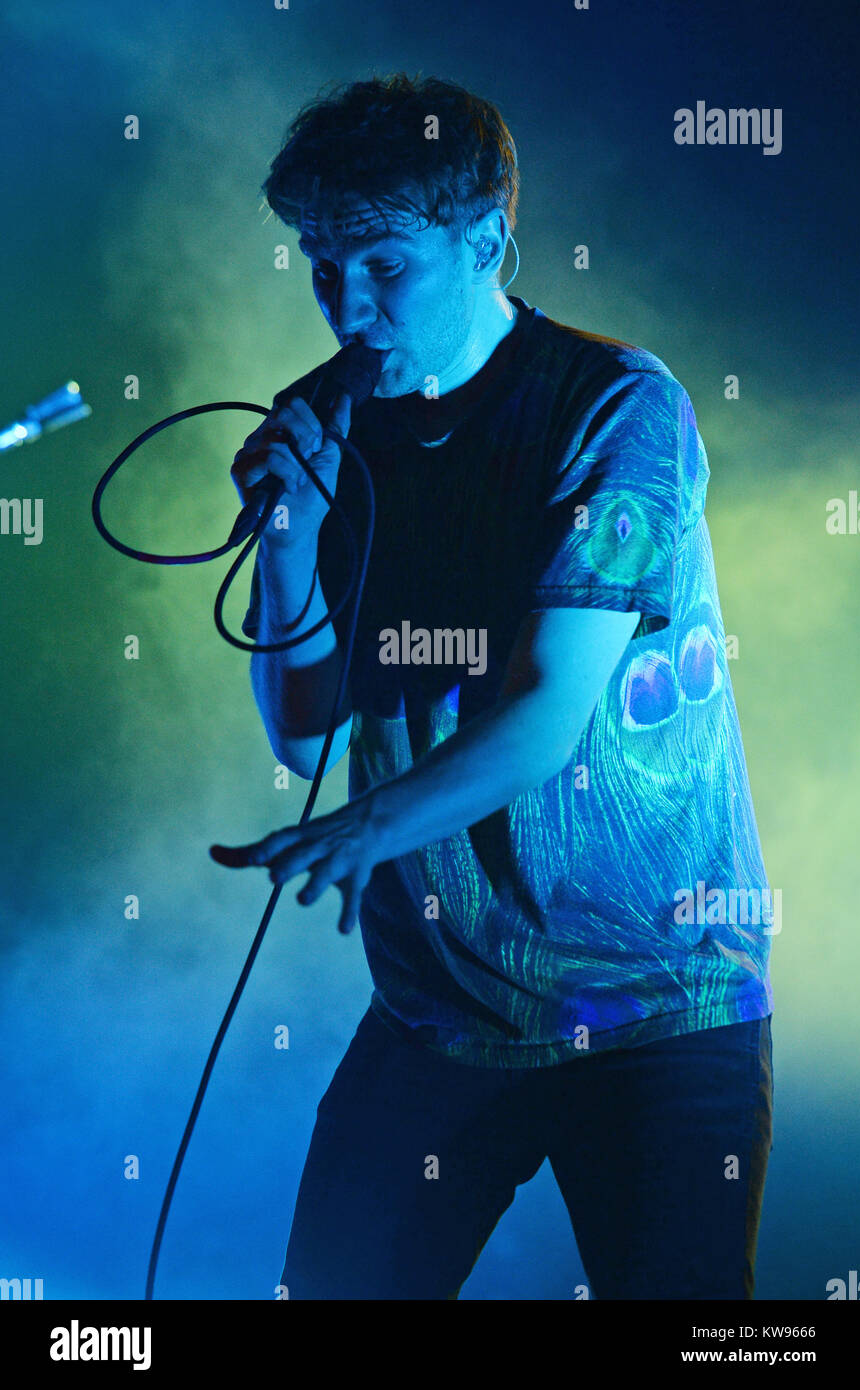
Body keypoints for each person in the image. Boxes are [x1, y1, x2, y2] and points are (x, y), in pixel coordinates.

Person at [210, 73, 774, 1300]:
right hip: (441, 1010)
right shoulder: (328, 423)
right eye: (318, 264)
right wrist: (290, 538)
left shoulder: (615, 406)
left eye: (382, 265)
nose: (346, 304)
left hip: (654, 1007)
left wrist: (361, 827)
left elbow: (541, 719)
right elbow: (304, 714)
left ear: (486, 244)